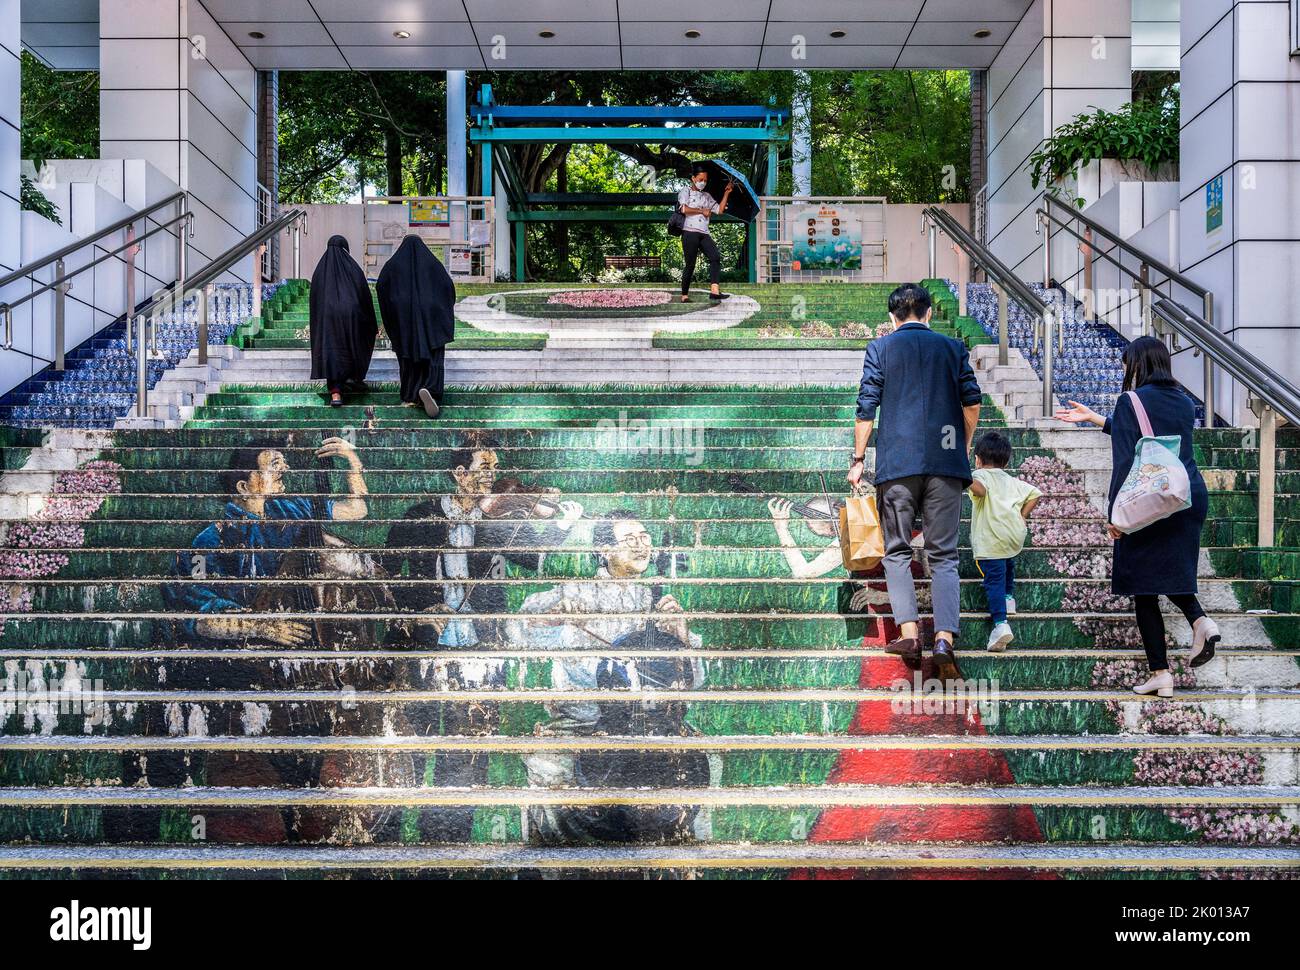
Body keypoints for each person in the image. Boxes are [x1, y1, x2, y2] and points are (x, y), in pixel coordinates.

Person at [505, 509, 709, 845]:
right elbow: (518, 630)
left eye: (644, 537)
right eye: (629, 539)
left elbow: (694, 680)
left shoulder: (655, 599)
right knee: (547, 766)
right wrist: (550, 619)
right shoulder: (575, 591)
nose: (641, 546)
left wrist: (682, 638)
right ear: (604, 550)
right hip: (581, 726)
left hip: (650, 725)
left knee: (700, 767)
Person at [1055, 336, 1219, 697]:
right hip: (1185, 496)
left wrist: (1117, 514)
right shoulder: (1184, 401)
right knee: (1169, 571)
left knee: (1143, 588)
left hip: (1148, 503)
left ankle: (1161, 672)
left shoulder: (1130, 400)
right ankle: (1200, 621)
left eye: (1127, 362)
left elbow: (1129, 462)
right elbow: (1154, 442)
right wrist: (1096, 419)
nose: (1125, 369)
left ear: (1138, 364)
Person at [848, 283, 982, 682]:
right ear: (928, 314)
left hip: (898, 465)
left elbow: (866, 406)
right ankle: (943, 640)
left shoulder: (881, 349)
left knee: (896, 551)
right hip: (946, 465)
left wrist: (858, 460)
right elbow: (971, 402)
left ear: (892, 318)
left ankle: (909, 633)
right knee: (943, 555)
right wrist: (961, 446)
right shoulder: (953, 348)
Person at [164, 437, 369, 646]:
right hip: (245, 648)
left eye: (283, 462)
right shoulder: (208, 542)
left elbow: (357, 510)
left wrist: (352, 460)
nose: (285, 469)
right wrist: (264, 627)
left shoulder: (289, 510)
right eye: (274, 465)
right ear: (243, 487)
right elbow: (199, 616)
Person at [968, 431, 1041, 651]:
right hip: (1013, 535)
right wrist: (1023, 516)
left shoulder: (979, 475)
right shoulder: (1011, 480)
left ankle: (1000, 624)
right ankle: (1009, 597)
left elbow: (980, 491)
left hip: (991, 538)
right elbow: (1035, 494)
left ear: (978, 459)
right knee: (1009, 562)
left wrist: (965, 478)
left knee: (993, 579)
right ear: (1007, 460)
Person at [376, 234, 456, 419]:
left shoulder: (393, 265)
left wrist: (394, 310)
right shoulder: (433, 264)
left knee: (407, 357)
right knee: (433, 354)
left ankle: (411, 394)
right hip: (432, 319)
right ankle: (431, 390)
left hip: (405, 321)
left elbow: (381, 287)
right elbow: (448, 288)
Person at [309, 235, 377, 408]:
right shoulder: (353, 269)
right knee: (354, 345)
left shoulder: (320, 271)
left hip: (327, 320)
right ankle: (354, 378)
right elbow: (365, 296)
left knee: (332, 351)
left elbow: (314, 301)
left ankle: (336, 393)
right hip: (352, 317)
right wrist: (371, 322)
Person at [677, 163, 733, 303]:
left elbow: (719, 210)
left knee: (715, 257)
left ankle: (714, 292)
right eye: (700, 179)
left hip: (704, 233)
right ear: (693, 178)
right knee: (690, 264)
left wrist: (726, 193)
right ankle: (684, 295)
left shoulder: (707, 196)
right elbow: (683, 209)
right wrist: (702, 211)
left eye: (705, 180)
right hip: (689, 232)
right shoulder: (685, 191)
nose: (703, 182)